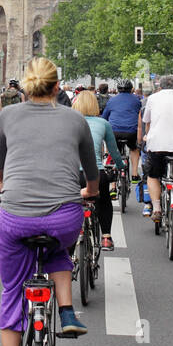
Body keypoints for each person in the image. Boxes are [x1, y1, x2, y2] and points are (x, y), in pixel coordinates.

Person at [0, 57, 98, 346]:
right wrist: (90, 191)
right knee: (58, 248)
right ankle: (67, 312)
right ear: (58, 86)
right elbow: (92, 172)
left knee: (12, 292)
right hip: (64, 218)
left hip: (17, 218)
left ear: (25, 86)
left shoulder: (7, 115)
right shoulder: (75, 120)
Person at [138, 75, 173, 230]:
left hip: (157, 145)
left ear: (160, 86)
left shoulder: (152, 98)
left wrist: (147, 137)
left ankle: (156, 208)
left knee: (152, 176)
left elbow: (147, 123)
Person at [74, 90, 120, 250]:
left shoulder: (70, 122)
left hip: (73, 175)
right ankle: (106, 237)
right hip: (96, 174)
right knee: (105, 201)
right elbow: (113, 151)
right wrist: (120, 166)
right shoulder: (103, 124)